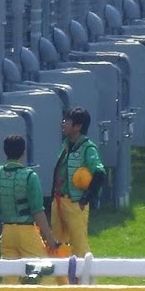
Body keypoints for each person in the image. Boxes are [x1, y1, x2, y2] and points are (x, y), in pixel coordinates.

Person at [0, 135, 59, 291]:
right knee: (45, 273)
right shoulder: (30, 176)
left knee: (10, 276)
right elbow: (37, 210)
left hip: (7, 230)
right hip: (27, 230)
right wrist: (50, 238)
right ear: (23, 152)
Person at [49, 108, 106, 260]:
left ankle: (85, 281)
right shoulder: (65, 144)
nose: (63, 124)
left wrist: (85, 199)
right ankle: (61, 282)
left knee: (79, 245)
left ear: (78, 126)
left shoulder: (88, 148)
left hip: (75, 203)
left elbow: (99, 173)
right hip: (59, 200)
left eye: (67, 121)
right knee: (56, 245)